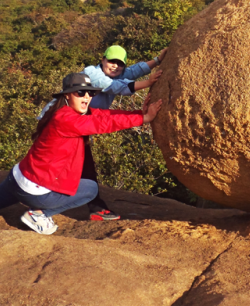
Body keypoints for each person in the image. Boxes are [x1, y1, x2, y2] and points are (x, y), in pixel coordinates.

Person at [0, 73, 163, 235]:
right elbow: (103, 124)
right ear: (68, 96)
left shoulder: (66, 113)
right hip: (36, 189)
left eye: (90, 93)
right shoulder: (66, 119)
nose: (86, 97)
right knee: (91, 189)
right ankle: (40, 215)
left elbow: (104, 115)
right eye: (81, 93)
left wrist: (140, 114)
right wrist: (145, 119)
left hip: (20, 177)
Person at [37, 45, 167, 221]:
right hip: (60, 122)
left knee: (80, 163)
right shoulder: (92, 73)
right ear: (103, 60)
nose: (115, 66)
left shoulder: (119, 74)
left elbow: (134, 71)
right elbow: (114, 87)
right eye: (111, 61)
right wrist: (148, 83)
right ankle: (43, 203)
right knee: (73, 163)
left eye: (120, 64)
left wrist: (158, 60)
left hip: (79, 124)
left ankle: (92, 206)